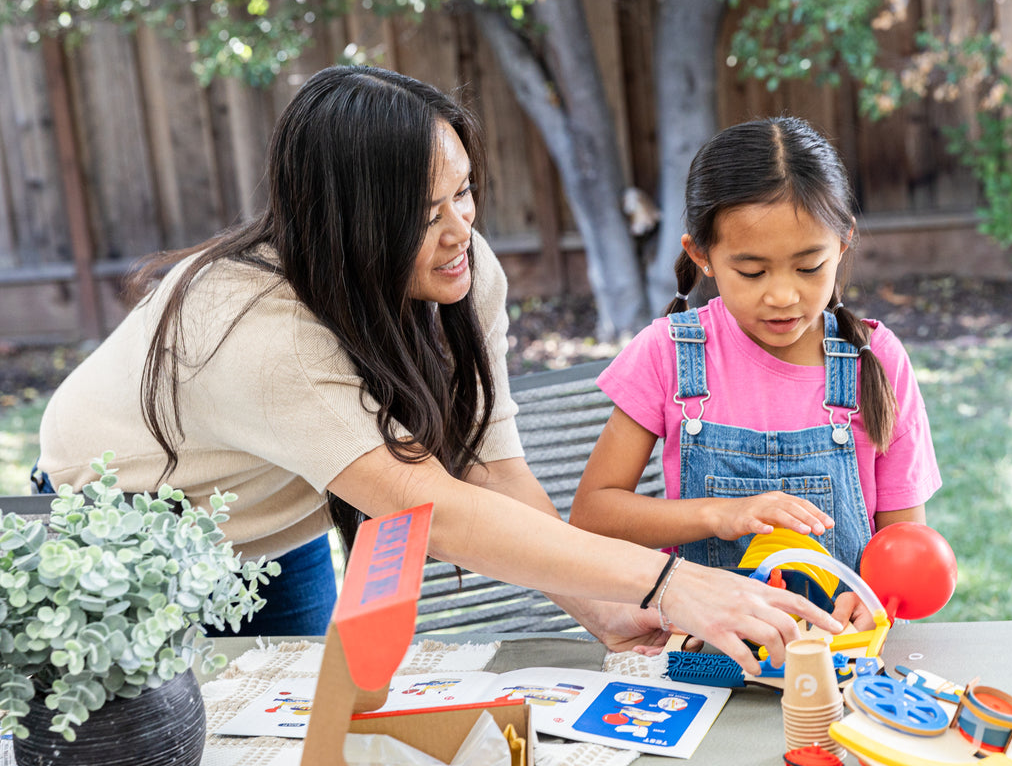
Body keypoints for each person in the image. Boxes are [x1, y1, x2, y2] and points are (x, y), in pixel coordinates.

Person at [36, 66, 840, 673]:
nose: (461, 229)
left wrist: (597, 602)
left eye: (465, 192)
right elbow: (434, 510)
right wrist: (669, 584)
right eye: (425, 214)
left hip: (270, 544)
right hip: (125, 554)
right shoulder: (252, 330)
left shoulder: (461, 271)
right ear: (349, 226)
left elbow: (491, 472)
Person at [570, 117, 942, 631]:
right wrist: (718, 513)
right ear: (701, 255)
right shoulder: (667, 354)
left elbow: (905, 543)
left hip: (841, 660)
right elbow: (593, 514)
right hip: (711, 658)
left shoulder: (875, 360)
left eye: (808, 267)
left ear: (843, 243)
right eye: (752, 271)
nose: (782, 296)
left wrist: (880, 595)